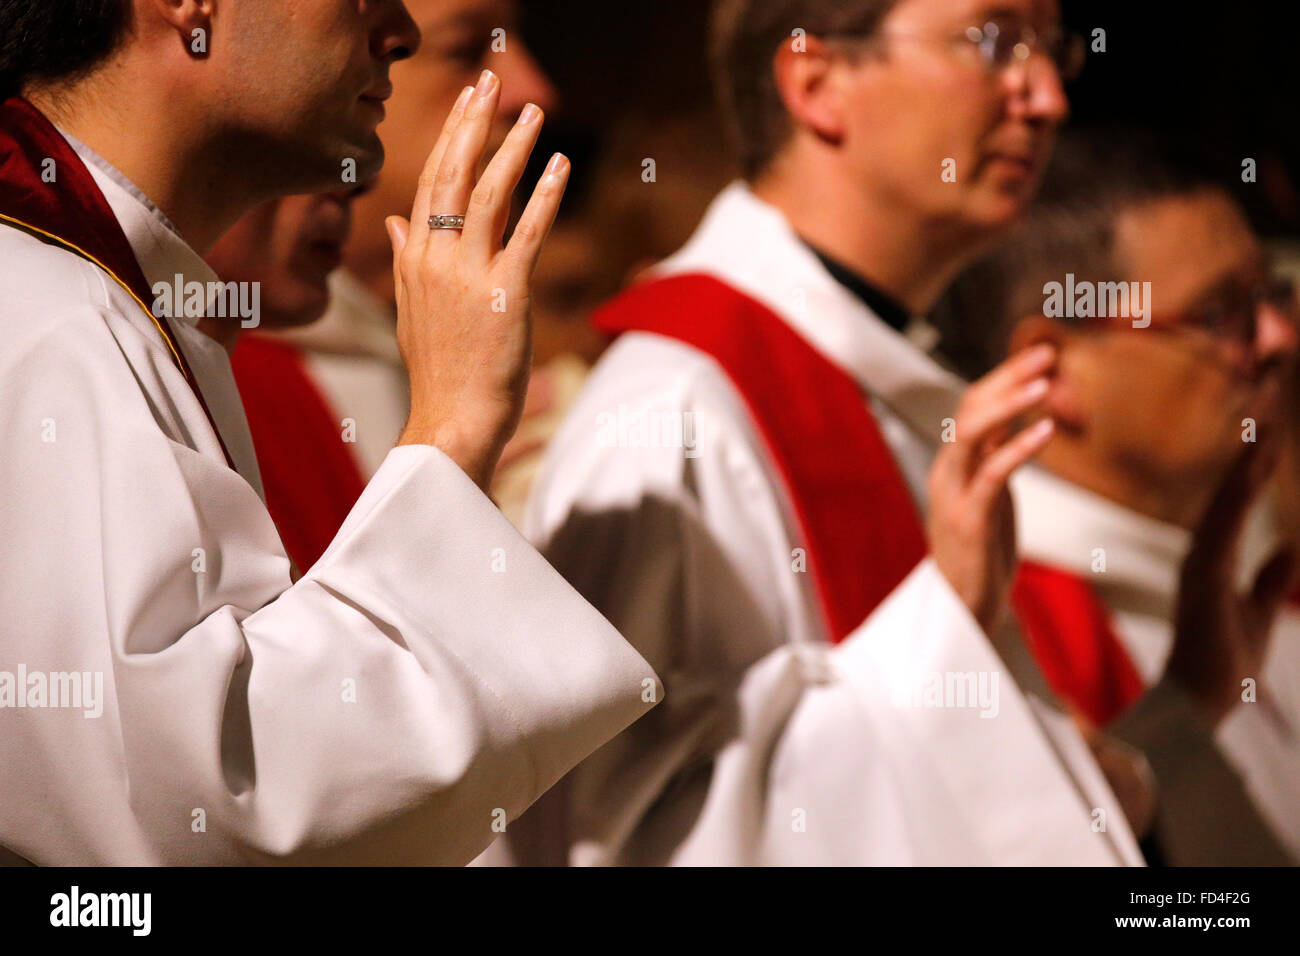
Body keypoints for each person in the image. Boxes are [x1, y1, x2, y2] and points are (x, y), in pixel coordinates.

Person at [0, 0, 659, 865]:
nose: (398, 28)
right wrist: (453, 427)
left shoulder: (97, 301)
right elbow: (204, 817)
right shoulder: (44, 313)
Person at [513, 0, 1156, 865]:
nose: (1047, 97)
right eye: (997, 41)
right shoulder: (676, 407)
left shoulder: (880, 372)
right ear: (817, 84)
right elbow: (610, 838)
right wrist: (944, 624)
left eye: (1053, 51)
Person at [944, 135, 1300, 863]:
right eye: (1216, 315)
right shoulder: (1016, 635)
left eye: (1272, 294)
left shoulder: (1255, 588)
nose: (1279, 337)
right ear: (1051, 371)